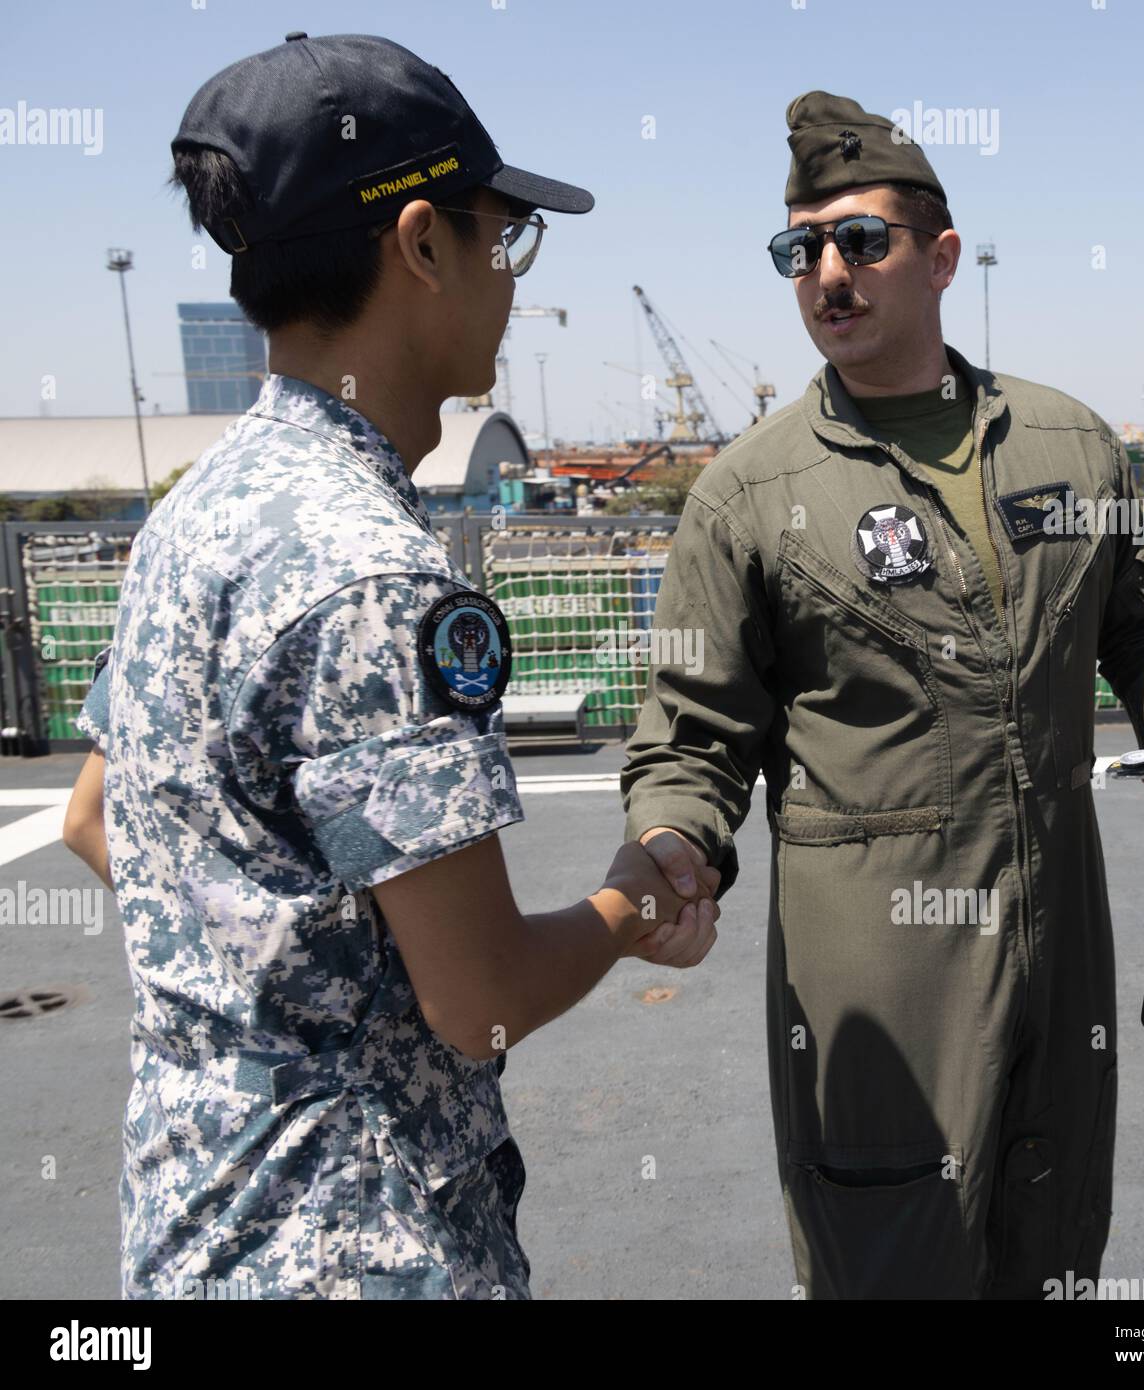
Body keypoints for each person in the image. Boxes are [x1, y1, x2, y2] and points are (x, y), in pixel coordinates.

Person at [61, 31, 718, 1301]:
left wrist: (280, 976)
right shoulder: (374, 575)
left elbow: (98, 819)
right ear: (421, 244)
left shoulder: (198, 511)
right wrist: (634, 903)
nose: (509, 276)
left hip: (194, 1212)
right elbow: (476, 1002)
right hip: (354, 1243)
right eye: (500, 236)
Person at [621, 90, 1144, 1300]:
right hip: (875, 969)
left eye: (860, 240)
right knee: (887, 1259)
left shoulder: (1072, 448)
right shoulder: (749, 494)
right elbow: (692, 733)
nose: (826, 274)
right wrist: (673, 846)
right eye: (798, 249)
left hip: (1062, 938)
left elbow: (1143, 618)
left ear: (941, 256)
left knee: (1056, 1237)